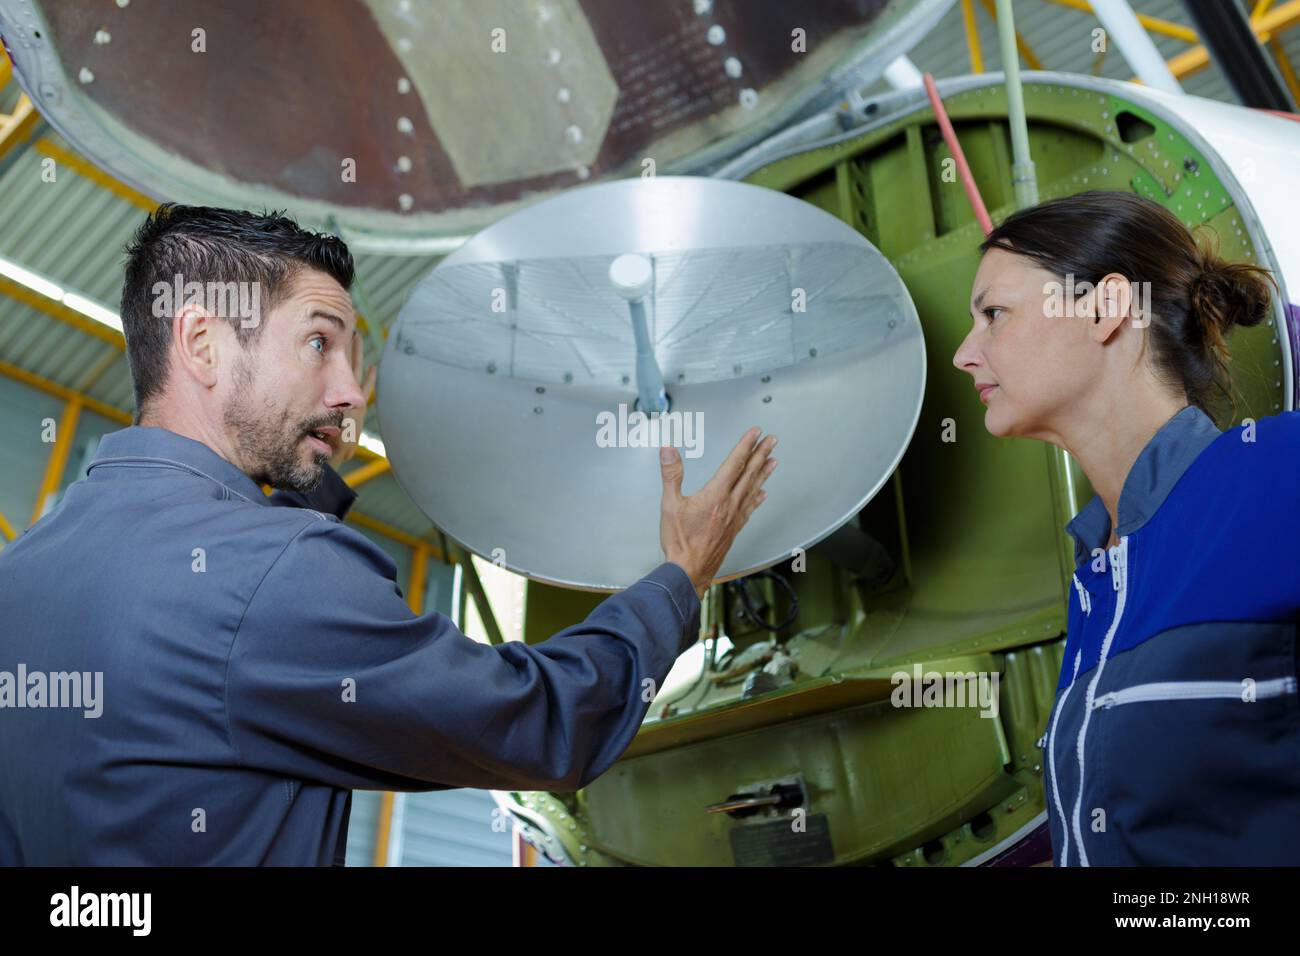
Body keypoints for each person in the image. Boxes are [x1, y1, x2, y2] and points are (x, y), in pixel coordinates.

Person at [0, 204, 777, 865]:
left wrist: (311, 461)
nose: (346, 393)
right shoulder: (279, 576)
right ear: (203, 345)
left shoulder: (24, 568)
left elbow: (238, 636)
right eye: (318, 342)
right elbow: (544, 724)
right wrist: (680, 578)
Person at [953, 190, 1300, 866]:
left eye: (994, 314)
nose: (967, 354)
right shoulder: (1098, 580)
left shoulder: (1277, 476)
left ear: (1107, 307)